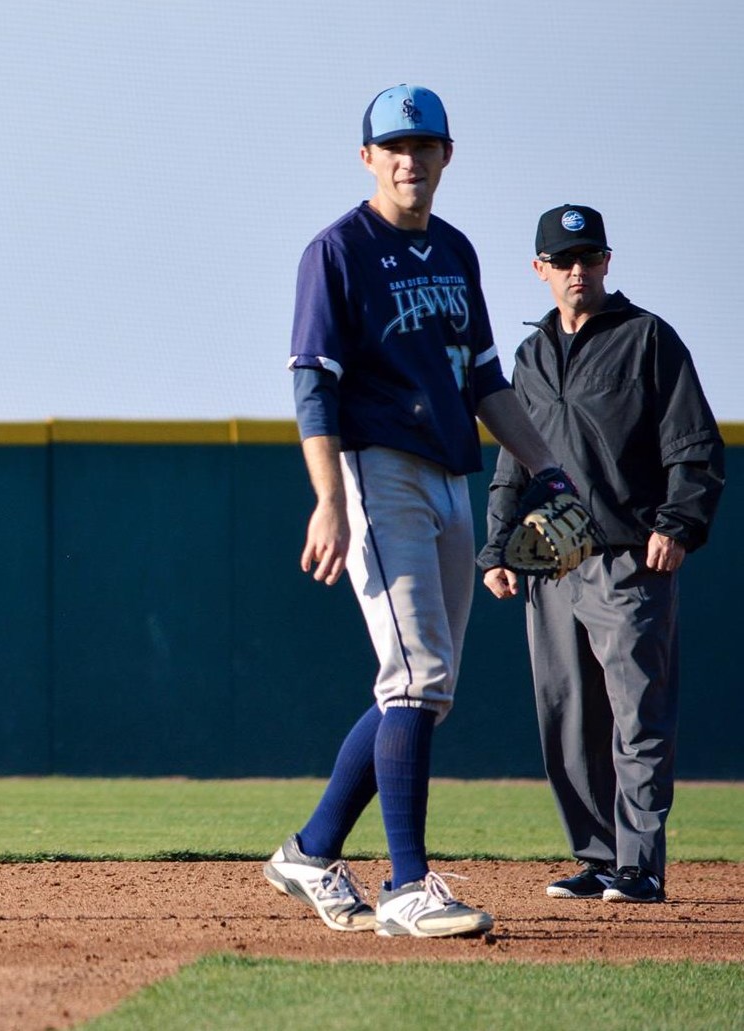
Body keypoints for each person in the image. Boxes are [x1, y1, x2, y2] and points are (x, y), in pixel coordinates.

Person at [264, 85, 578, 938]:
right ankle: (407, 886)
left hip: (451, 474)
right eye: (394, 147)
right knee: (417, 676)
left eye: (425, 146)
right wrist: (328, 497)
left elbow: (485, 380)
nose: (410, 160)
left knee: (424, 689)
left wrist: (547, 465)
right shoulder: (337, 250)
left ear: (447, 155)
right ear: (368, 157)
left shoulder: (455, 251)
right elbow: (312, 384)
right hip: (376, 470)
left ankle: (311, 848)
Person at [479, 205, 724, 905]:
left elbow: (695, 446)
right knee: (567, 714)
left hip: (627, 558)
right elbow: (511, 465)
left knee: (636, 713)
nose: (576, 270)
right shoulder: (529, 357)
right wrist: (497, 546)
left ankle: (640, 864)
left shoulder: (647, 339)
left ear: (608, 262)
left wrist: (677, 522)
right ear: (540, 270)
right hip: (549, 561)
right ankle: (596, 856)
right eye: (563, 260)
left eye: (588, 257)